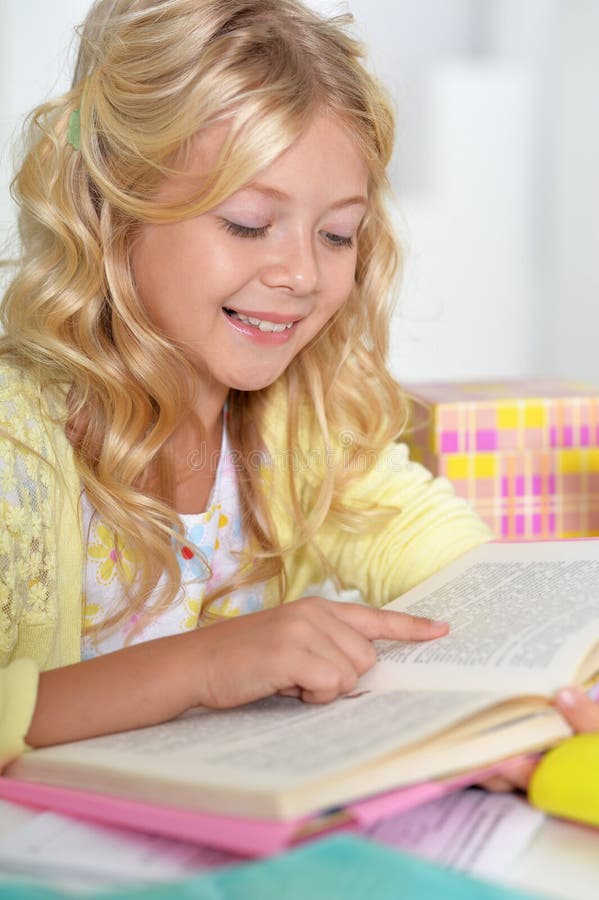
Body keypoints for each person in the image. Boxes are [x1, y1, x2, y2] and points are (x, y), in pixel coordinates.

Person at [0, 0, 596, 829]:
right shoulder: (14, 444)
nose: (300, 274)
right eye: (249, 224)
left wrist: (543, 680)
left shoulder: (297, 419)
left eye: (338, 235)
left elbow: (447, 558)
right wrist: (200, 664)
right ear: (111, 207)